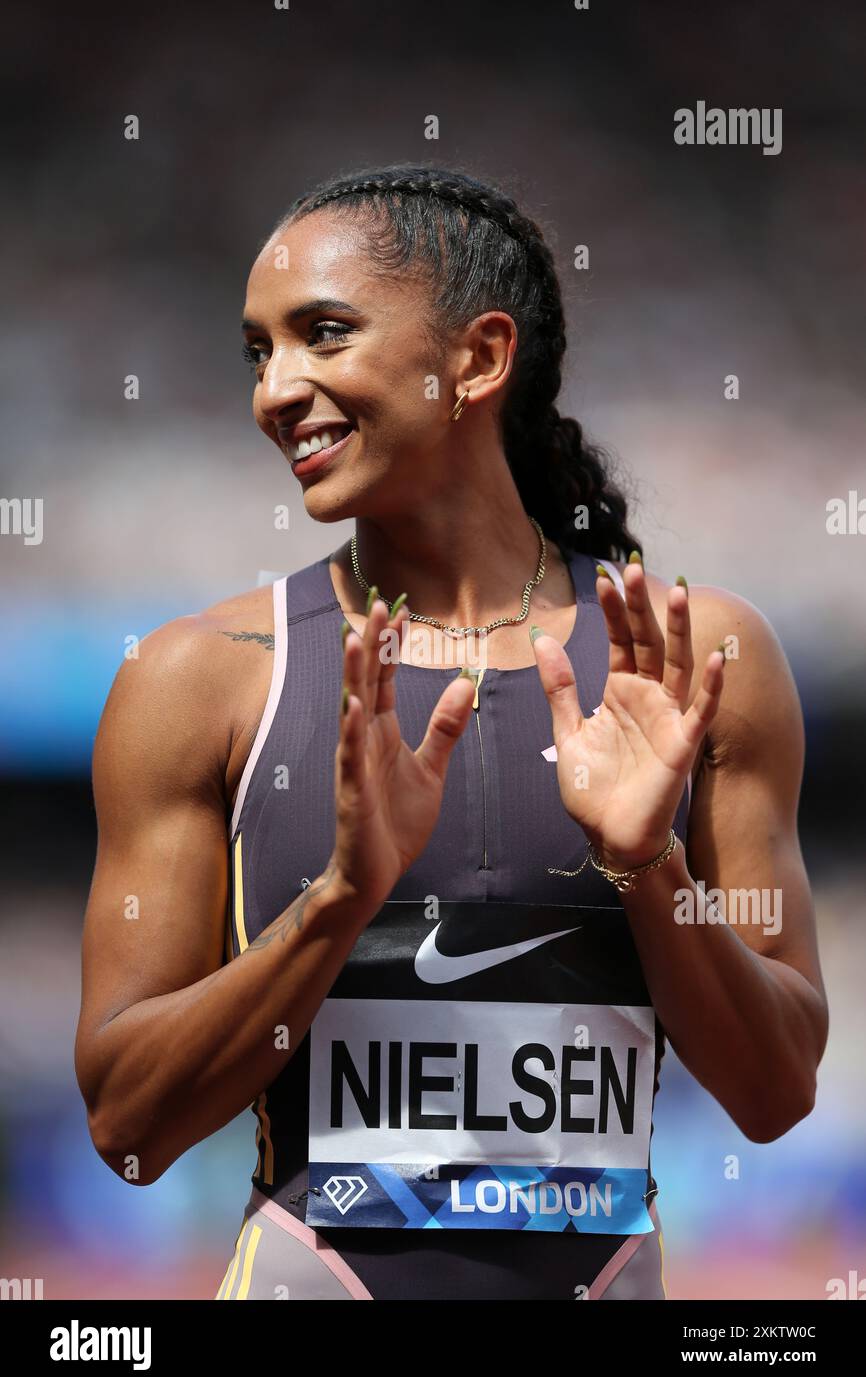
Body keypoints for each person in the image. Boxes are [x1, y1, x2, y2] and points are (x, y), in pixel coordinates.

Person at [75, 163, 828, 1301]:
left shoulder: (691, 661)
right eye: (257, 351)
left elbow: (773, 1095)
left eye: (322, 334)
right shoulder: (202, 680)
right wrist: (338, 897)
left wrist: (646, 865)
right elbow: (128, 1125)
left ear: (474, 359)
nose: (276, 389)